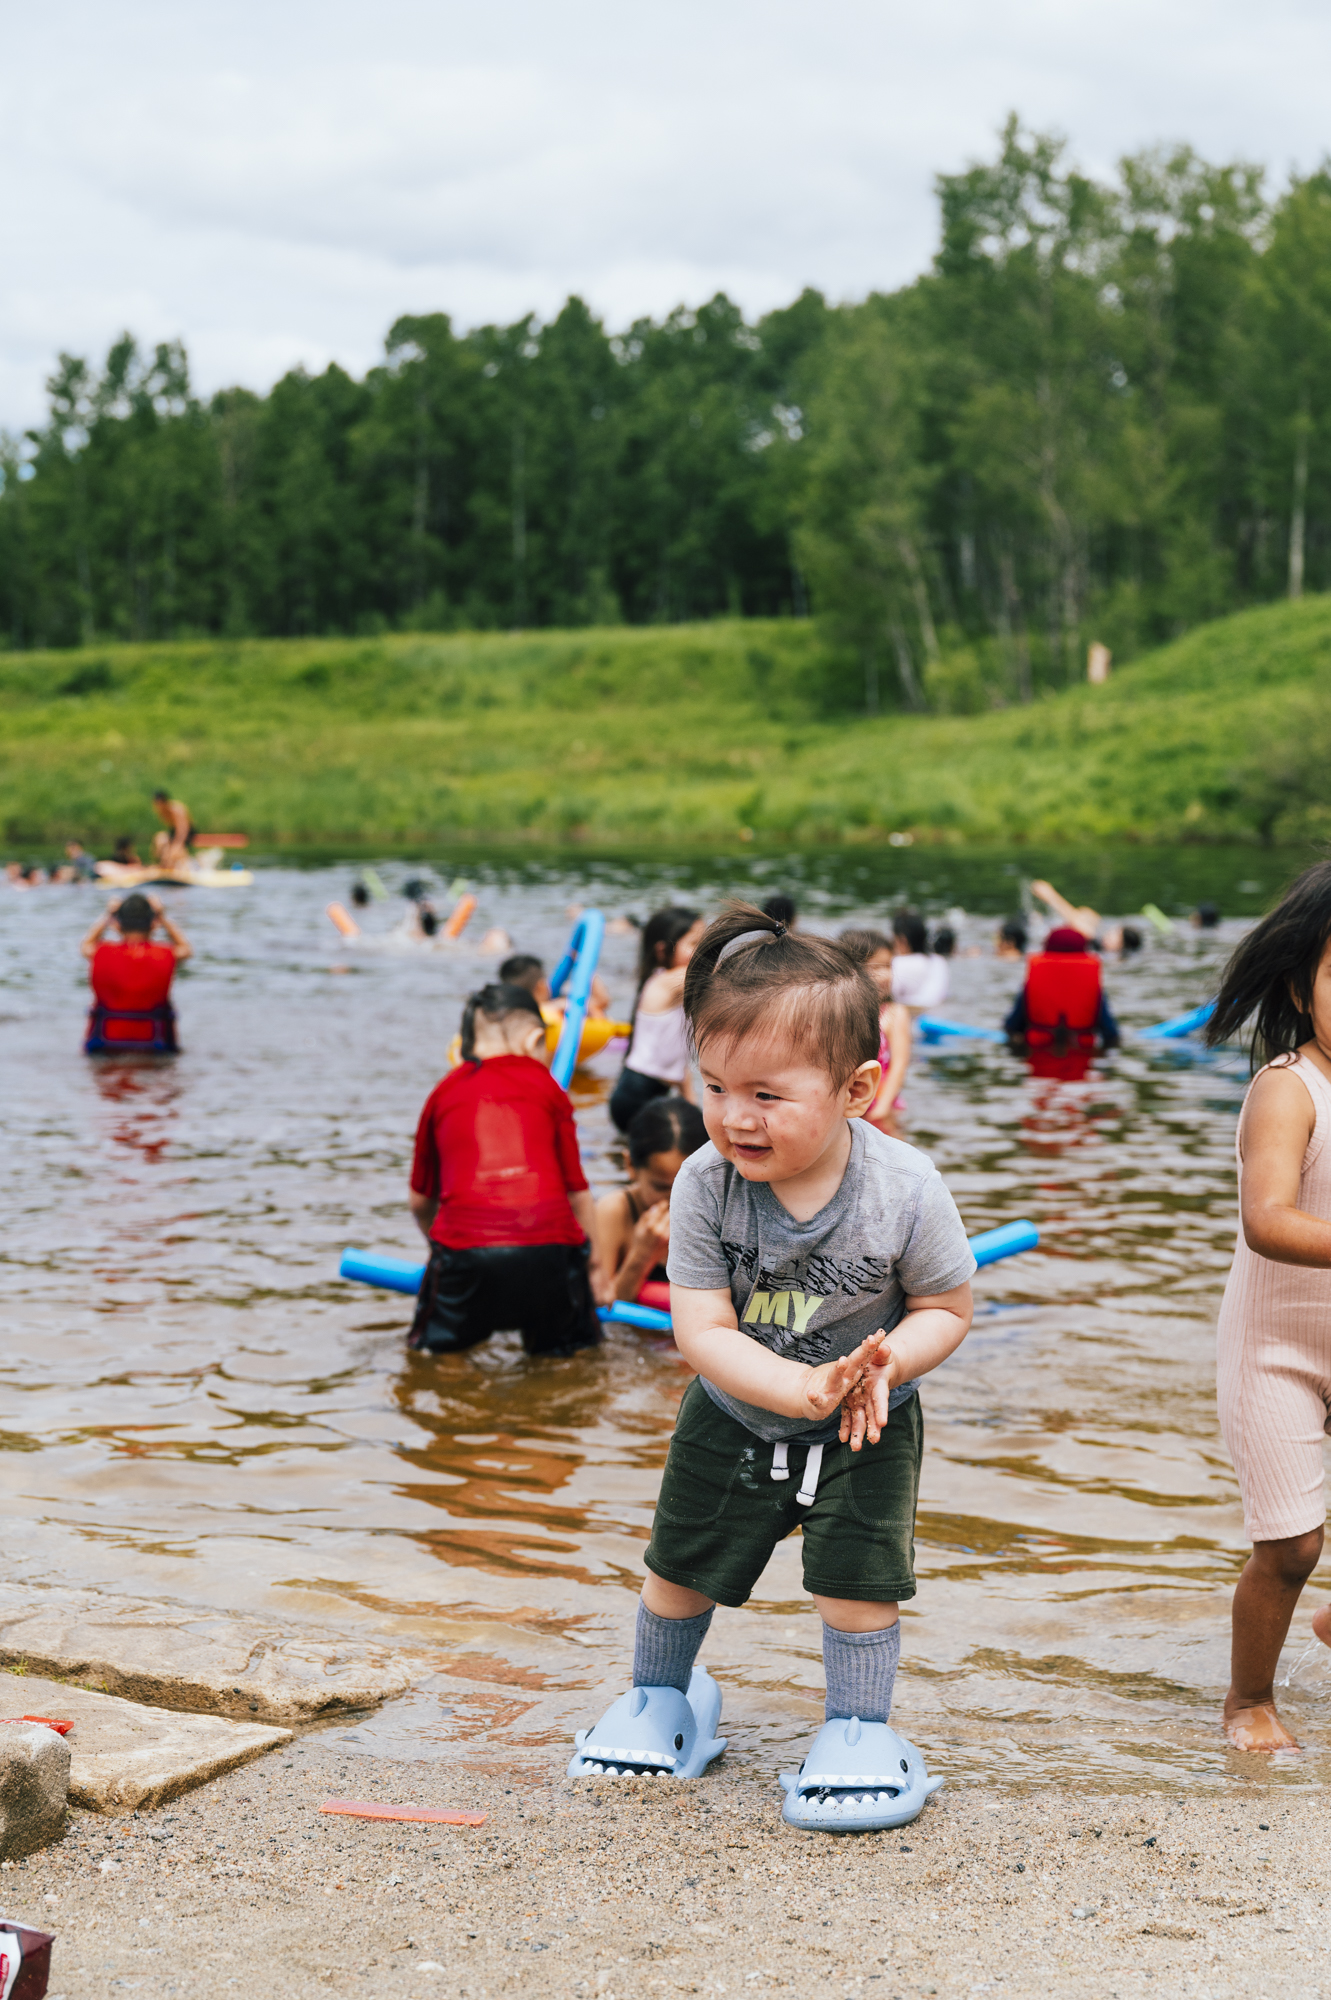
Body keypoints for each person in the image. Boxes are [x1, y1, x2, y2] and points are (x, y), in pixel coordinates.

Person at [600, 905, 974, 1796]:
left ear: (856, 1090)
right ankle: (660, 1699)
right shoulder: (703, 1183)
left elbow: (946, 1308)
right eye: (717, 1086)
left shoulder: (906, 1190)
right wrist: (795, 1384)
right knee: (678, 1569)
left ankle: (854, 1729)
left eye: (767, 1095)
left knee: (856, 1586)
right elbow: (700, 1329)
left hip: (864, 1426)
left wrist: (886, 1364)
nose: (736, 1118)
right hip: (730, 1412)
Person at [1203, 861, 1331, 1751]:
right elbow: (1267, 1220)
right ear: (1299, 985)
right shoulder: (1290, 1088)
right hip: (1277, 1353)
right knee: (1291, 1549)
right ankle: (1247, 1700)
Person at [407, 982, 609, 1356]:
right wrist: (596, 1270)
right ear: (535, 1039)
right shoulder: (549, 1090)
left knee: (433, 1360)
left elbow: (420, 1203)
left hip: (467, 1253)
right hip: (552, 1252)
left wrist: (442, 1253)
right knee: (567, 1362)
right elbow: (577, 1192)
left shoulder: (442, 1093)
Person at [596, 1097, 708, 1304]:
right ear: (630, 1165)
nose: (678, 1198)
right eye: (661, 1187)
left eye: (691, 1186)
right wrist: (641, 1255)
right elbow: (601, 1308)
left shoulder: (717, 1210)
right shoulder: (615, 1212)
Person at [608, 906, 706, 1133]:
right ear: (662, 950)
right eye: (695, 944)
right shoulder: (665, 982)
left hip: (647, 1092)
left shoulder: (674, 988)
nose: (704, 951)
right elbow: (719, 973)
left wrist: (691, 1104)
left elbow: (676, 1060)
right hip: (636, 1095)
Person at [80, 892, 191, 1053]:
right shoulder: (166, 953)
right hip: (156, 1046)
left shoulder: (100, 952)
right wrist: (163, 916)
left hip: (104, 1046)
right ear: (154, 924)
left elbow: (85, 944)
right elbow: (186, 948)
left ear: (116, 925)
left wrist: (108, 915)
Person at [838, 928, 911, 1132]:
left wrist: (883, 1106)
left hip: (881, 1102)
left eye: (888, 966)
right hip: (847, 1104)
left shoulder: (894, 1013)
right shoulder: (840, 1013)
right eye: (876, 968)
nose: (886, 975)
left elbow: (900, 1063)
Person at [1003, 926, 1121, 1051]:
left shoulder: (1034, 980)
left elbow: (1013, 1026)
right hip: (1081, 1055)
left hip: (1038, 1054)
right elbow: (1110, 1033)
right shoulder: (1092, 985)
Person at [500, 952, 612, 1020]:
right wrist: (585, 967)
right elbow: (602, 1001)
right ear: (541, 986)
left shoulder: (508, 1015)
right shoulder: (554, 1007)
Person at [888, 910, 949, 1011]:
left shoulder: (898, 963)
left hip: (910, 1016)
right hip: (937, 1014)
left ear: (903, 940)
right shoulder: (939, 961)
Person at [150, 790, 194, 868]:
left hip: (187, 831)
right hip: (174, 830)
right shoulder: (161, 812)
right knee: (160, 841)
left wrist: (178, 844)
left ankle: (184, 865)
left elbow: (183, 830)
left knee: (174, 850)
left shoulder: (177, 810)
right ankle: (162, 864)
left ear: (164, 802)